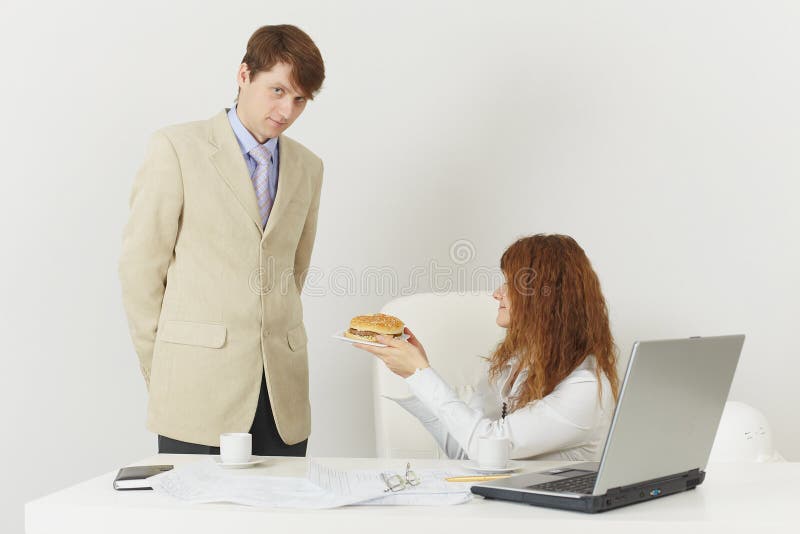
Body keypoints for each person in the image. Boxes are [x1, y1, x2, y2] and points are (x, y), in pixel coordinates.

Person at [119, 25, 325, 456]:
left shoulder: (308, 166)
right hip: (196, 391)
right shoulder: (176, 148)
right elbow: (141, 271)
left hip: (281, 399)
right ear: (244, 75)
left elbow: (292, 272)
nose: (287, 110)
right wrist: (162, 373)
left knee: (280, 521)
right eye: (277, 90)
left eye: (300, 99)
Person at [355, 234, 620, 461]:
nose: (497, 293)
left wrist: (421, 374)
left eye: (508, 283)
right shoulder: (514, 364)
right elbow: (464, 452)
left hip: (548, 519)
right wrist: (411, 374)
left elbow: (489, 447)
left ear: (542, 296)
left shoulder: (586, 389)